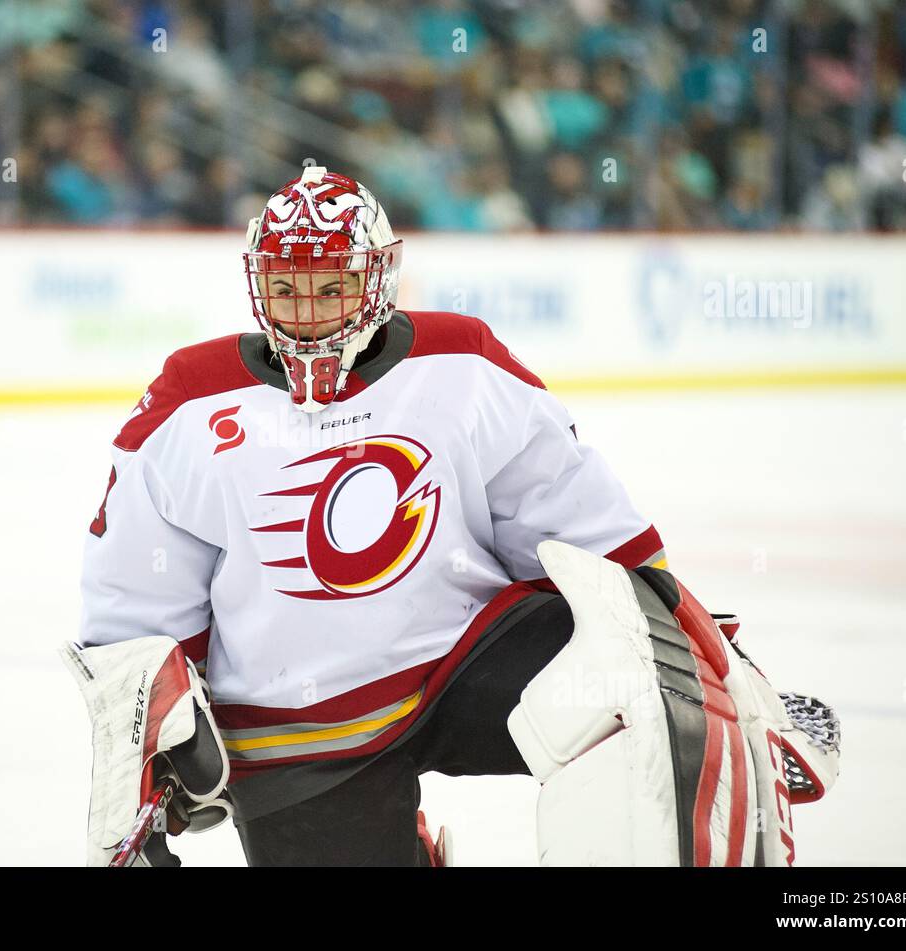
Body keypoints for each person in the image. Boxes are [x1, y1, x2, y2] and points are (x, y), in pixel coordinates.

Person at [63, 164, 839, 866]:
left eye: (331, 288)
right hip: (293, 730)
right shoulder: (188, 402)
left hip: (462, 661)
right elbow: (134, 607)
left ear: (376, 280)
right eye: (288, 290)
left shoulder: (462, 363)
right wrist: (152, 752)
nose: (308, 313)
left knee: (641, 681)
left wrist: (712, 664)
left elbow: (587, 537)